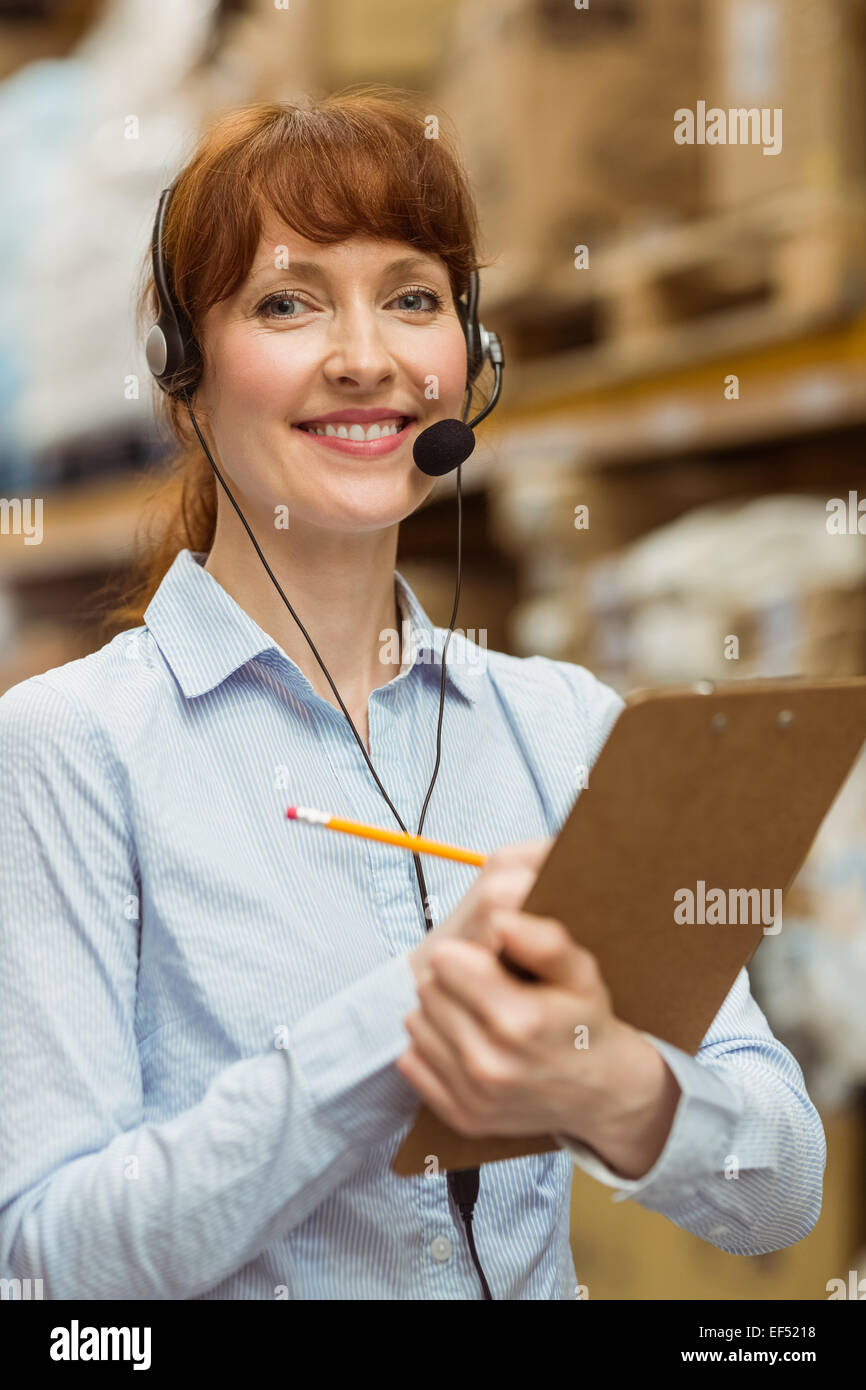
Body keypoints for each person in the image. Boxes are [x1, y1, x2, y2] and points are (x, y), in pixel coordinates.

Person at [0, 90, 824, 1301]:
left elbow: (778, 1188)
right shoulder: (69, 754)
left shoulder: (564, 728)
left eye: (411, 298)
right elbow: (49, 1265)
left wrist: (605, 1082)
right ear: (185, 371)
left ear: (468, 362)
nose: (367, 358)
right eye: (288, 301)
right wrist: (398, 1028)